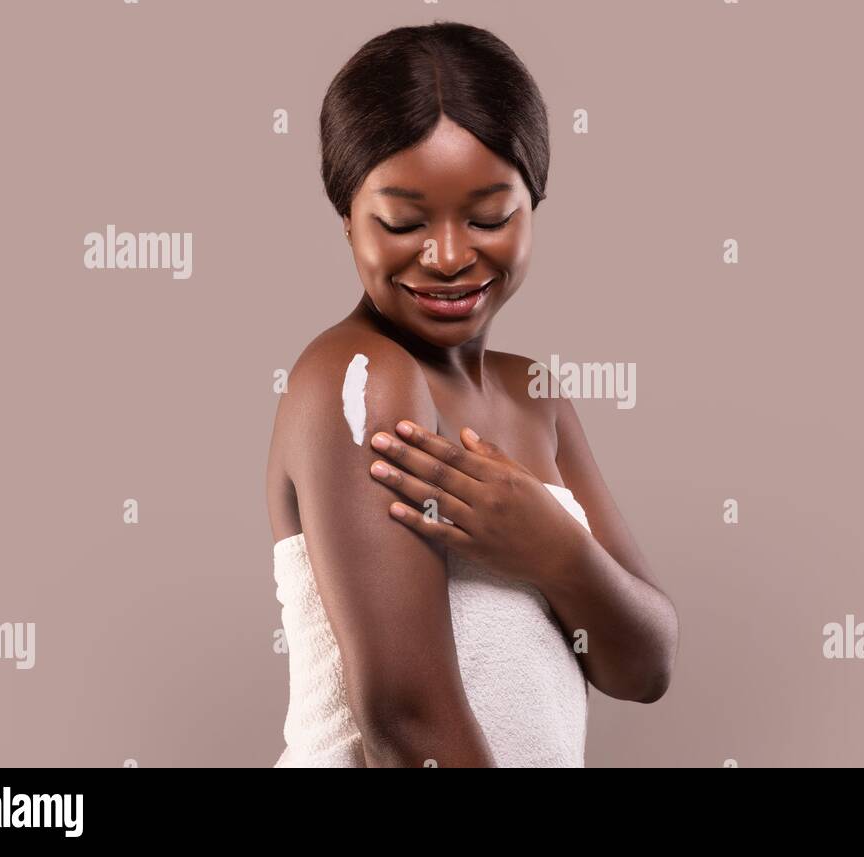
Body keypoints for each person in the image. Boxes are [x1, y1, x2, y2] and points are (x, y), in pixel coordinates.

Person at [265, 21, 678, 767]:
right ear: (347, 218)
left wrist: (556, 552)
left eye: (489, 216)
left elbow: (644, 665)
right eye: (403, 221)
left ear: (534, 203)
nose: (450, 255)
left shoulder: (534, 396)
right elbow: (405, 718)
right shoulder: (359, 378)